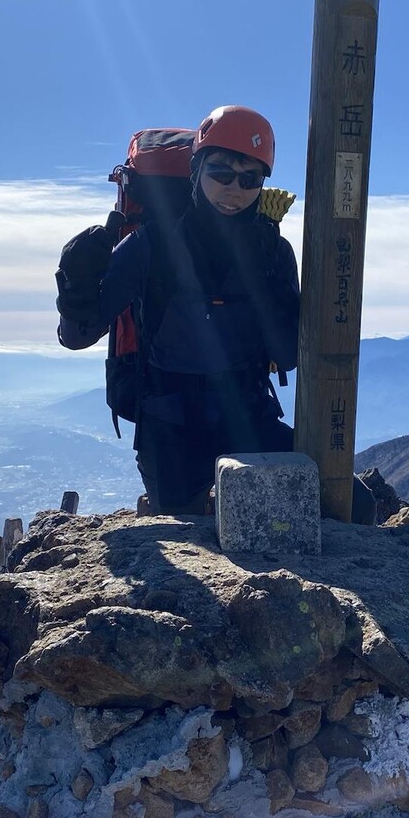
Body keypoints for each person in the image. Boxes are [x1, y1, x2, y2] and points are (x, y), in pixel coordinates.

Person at [56, 105, 301, 516]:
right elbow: (78, 336)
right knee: (186, 528)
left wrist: (262, 279)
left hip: (245, 416)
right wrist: (75, 285)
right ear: (196, 172)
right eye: (220, 173)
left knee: (342, 502)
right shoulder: (150, 245)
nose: (234, 189)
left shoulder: (274, 251)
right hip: (170, 430)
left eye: (250, 178)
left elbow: (288, 354)